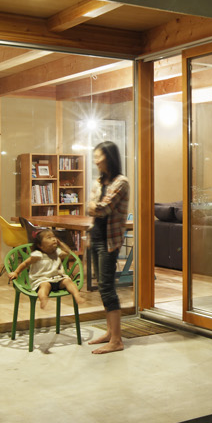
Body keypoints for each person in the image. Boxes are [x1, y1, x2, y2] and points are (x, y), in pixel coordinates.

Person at [85, 141, 129, 354]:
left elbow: (103, 209)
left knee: (107, 288)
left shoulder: (122, 182)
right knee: (102, 287)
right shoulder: (98, 181)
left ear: (108, 157)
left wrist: (95, 207)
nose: (95, 161)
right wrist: (94, 207)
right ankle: (110, 332)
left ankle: (117, 340)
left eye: (98, 156)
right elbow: (90, 208)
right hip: (96, 237)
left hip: (109, 242)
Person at [7, 227, 74, 312]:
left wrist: (60, 244)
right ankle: (43, 300)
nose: (54, 239)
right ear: (40, 245)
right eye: (49, 238)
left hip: (58, 279)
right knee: (45, 286)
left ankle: (77, 296)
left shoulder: (57, 252)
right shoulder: (38, 255)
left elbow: (68, 252)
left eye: (54, 237)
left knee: (68, 281)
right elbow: (25, 263)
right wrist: (16, 272)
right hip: (42, 280)